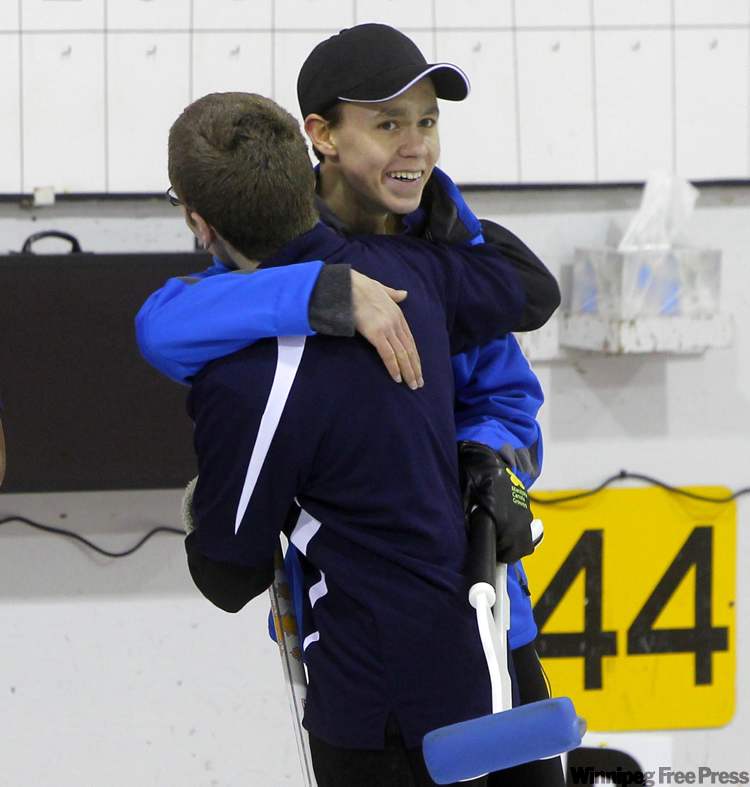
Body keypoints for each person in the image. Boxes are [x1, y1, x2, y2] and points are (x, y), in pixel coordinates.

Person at [137, 24, 563, 786]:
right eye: (389, 124)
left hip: (494, 610)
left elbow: (510, 377)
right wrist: (320, 291)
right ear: (322, 136)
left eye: (427, 121)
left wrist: (491, 457)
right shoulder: (269, 239)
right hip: (364, 650)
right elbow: (164, 324)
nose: (416, 146)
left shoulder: (441, 244)